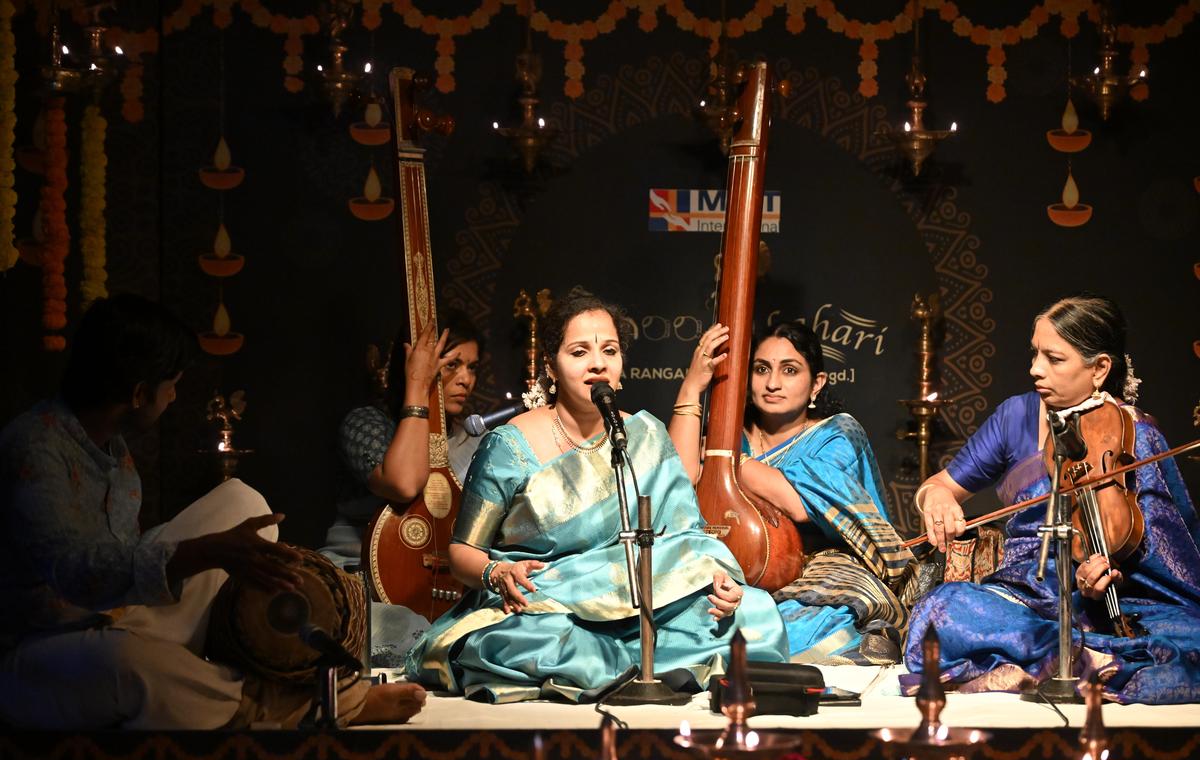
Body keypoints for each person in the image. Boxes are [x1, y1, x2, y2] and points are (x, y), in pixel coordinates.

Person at [0, 295, 424, 729]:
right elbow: (72, 574)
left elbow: (124, 562)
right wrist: (204, 553)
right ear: (139, 393)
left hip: (117, 618)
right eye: (172, 384)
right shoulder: (36, 448)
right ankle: (283, 706)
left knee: (240, 500)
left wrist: (214, 551)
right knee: (128, 664)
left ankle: (202, 676)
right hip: (42, 647)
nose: (174, 395)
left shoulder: (113, 450)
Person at [405, 287, 789, 703]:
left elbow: (686, 535)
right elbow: (462, 552)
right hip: (551, 607)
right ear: (551, 367)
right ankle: (628, 667)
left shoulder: (643, 436)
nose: (597, 364)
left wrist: (719, 580)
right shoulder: (509, 446)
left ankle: (636, 665)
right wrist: (496, 574)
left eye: (609, 350)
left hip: (646, 600)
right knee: (525, 642)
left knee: (756, 615)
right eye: (579, 352)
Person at [907, 294, 1200, 704]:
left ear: (1099, 368)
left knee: (1191, 633)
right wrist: (935, 497)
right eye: (1035, 354)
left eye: (1054, 359)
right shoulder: (1017, 416)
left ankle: (1071, 655)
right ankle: (1089, 658)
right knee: (940, 611)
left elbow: (1173, 556)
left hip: (1118, 604)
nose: (1035, 369)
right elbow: (937, 485)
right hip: (1026, 598)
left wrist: (1101, 579)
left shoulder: (1138, 435)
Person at [669, 321, 914, 664]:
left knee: (822, 619)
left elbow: (798, 503)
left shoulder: (838, 433)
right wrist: (692, 388)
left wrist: (723, 460)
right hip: (730, 569)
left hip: (813, 571)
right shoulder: (730, 432)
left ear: (817, 384)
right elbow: (678, 480)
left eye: (789, 370)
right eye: (761, 369)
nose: (772, 383)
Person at [320, 311, 483, 665]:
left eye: (472, 368)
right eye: (452, 365)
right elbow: (403, 484)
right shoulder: (367, 423)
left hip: (444, 587)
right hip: (359, 581)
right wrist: (417, 388)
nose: (466, 379)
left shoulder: (474, 439)